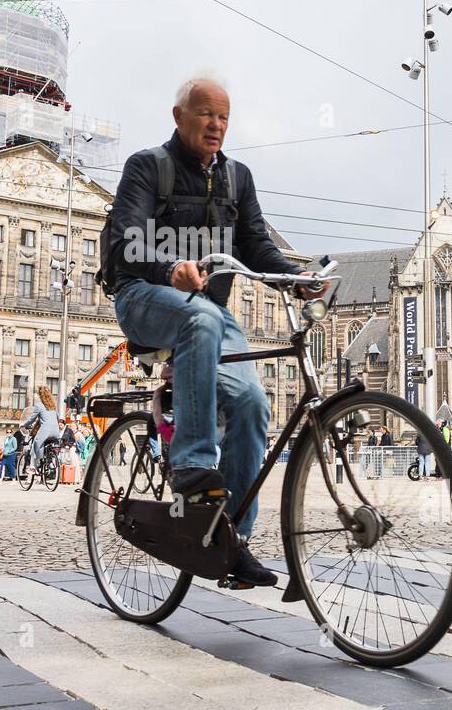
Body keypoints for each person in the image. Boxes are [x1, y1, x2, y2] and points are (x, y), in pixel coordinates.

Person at [104, 77, 323, 587]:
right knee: (199, 315)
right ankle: (193, 469)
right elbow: (123, 246)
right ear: (178, 115)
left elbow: (256, 246)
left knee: (252, 405)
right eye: (205, 114)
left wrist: (297, 280)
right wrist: (169, 269)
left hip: (208, 313)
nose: (216, 125)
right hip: (143, 296)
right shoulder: (146, 167)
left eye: (224, 117)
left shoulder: (237, 179)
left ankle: (232, 542)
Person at [23, 386, 61, 476]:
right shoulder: (52, 406)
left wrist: (25, 425)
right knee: (46, 445)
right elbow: (57, 417)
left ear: (40, 395)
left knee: (35, 443)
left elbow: (32, 419)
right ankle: (50, 462)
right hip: (56, 432)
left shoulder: (39, 406)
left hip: (46, 431)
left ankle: (33, 467)